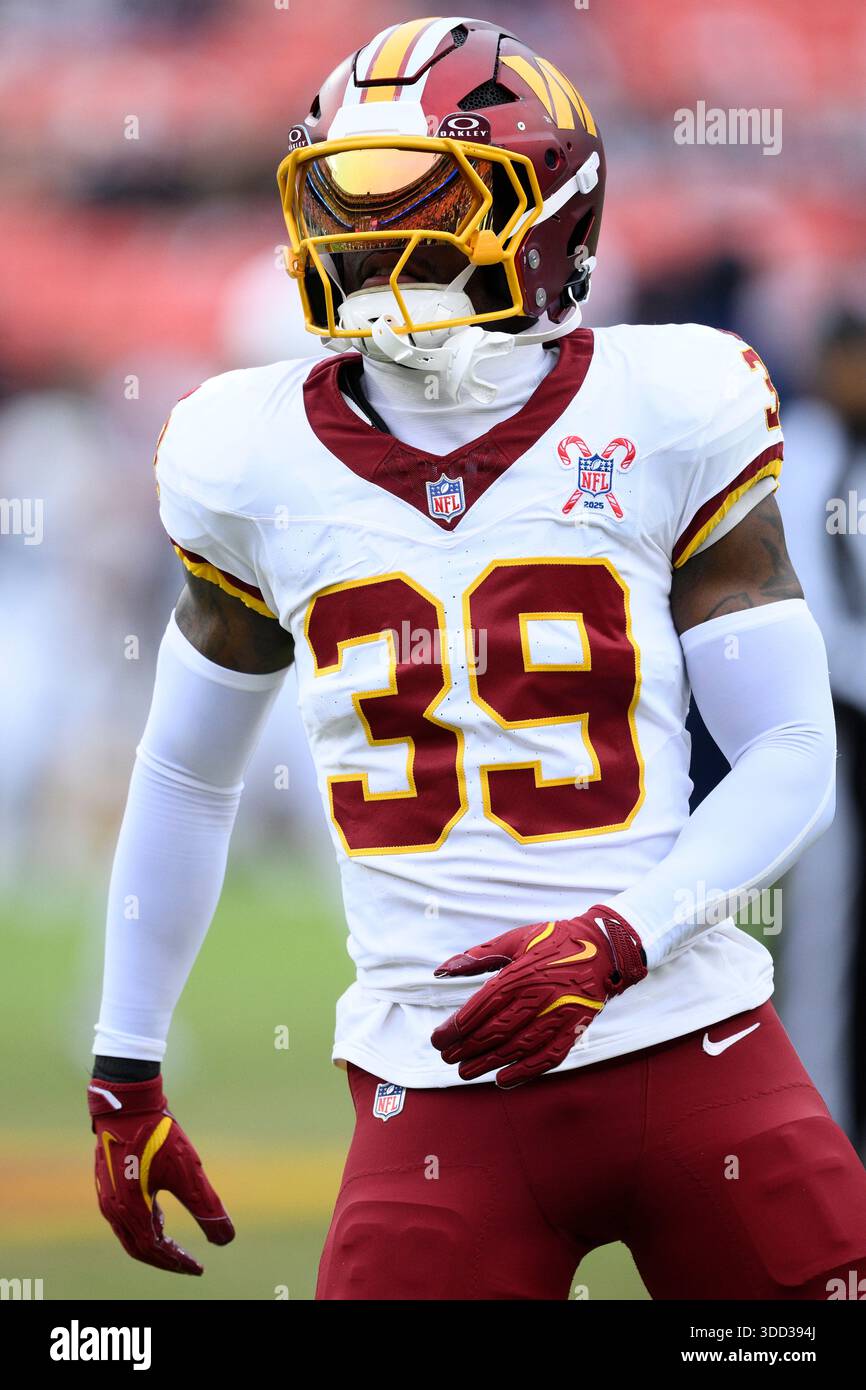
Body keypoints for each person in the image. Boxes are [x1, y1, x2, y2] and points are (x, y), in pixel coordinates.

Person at [87, 17, 866, 1300]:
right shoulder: (246, 453)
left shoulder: (669, 404)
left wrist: (621, 935)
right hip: (433, 1083)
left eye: (424, 197)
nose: (372, 240)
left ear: (548, 214)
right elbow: (183, 774)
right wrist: (124, 1064)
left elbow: (789, 750)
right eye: (343, 198)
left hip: (688, 1035)